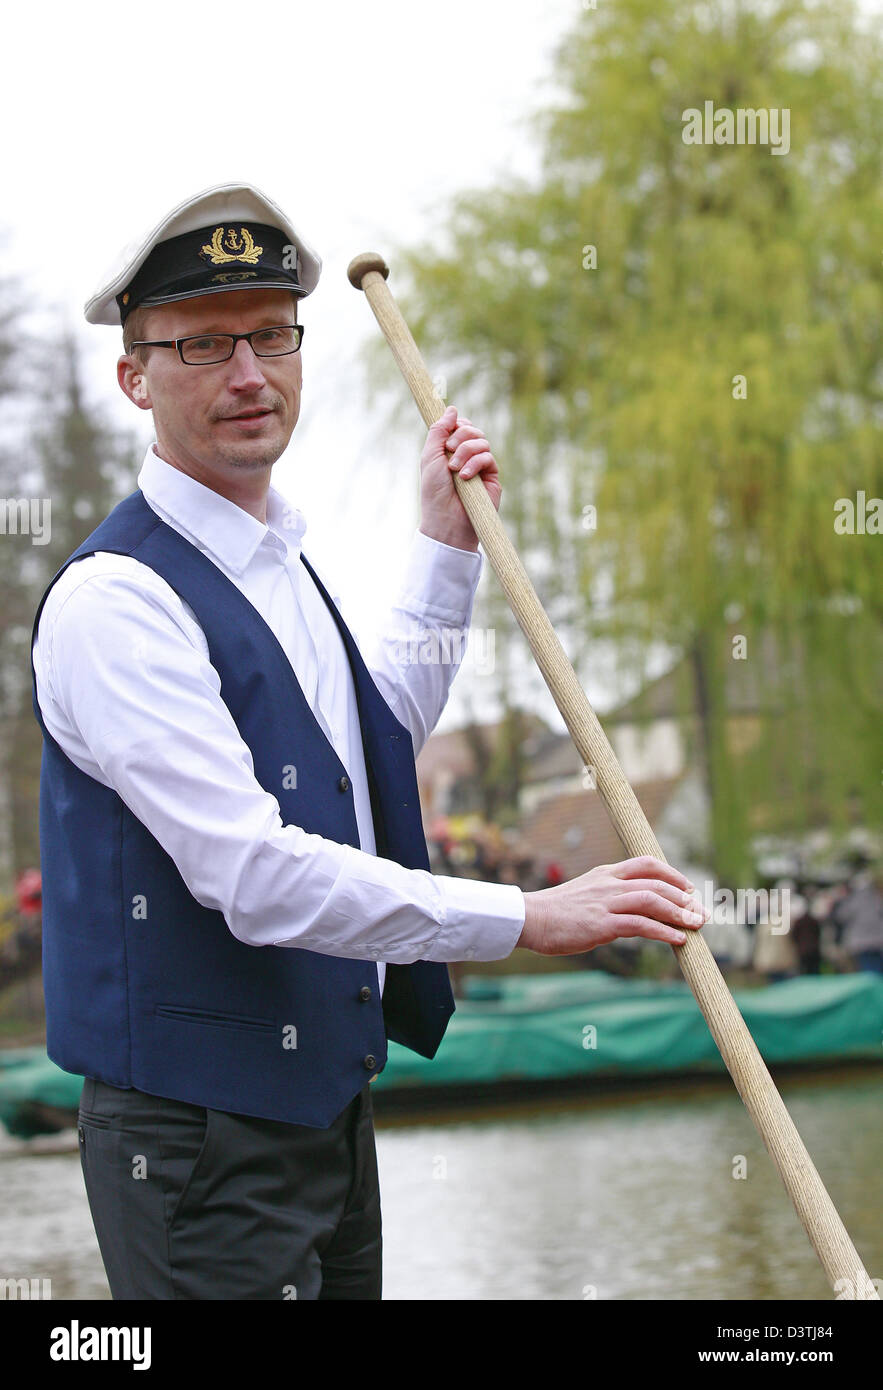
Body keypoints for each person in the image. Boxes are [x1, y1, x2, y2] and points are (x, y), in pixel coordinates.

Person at [29, 181, 707, 1300]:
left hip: (326, 1106)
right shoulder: (117, 601)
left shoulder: (281, 561)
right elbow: (250, 873)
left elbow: (369, 742)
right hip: (198, 1138)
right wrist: (531, 917)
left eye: (270, 335)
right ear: (134, 375)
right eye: (203, 344)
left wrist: (444, 543)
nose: (249, 373)